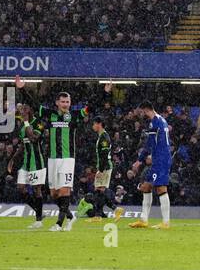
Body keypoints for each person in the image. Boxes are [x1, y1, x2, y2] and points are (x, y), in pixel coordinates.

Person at [16, 77, 101, 232]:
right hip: (53, 159)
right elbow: (34, 104)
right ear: (57, 103)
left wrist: (104, 91)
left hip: (67, 159)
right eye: (63, 102)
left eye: (67, 102)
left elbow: (91, 107)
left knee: (64, 191)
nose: (65, 105)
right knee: (54, 194)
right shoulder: (50, 115)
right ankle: (70, 216)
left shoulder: (75, 115)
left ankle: (58, 224)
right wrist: (22, 89)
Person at [129, 103, 174, 230]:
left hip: (161, 159)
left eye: (142, 112)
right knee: (146, 187)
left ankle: (166, 222)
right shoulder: (162, 120)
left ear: (146, 110)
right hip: (160, 158)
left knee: (161, 188)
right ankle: (144, 220)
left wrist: (139, 160)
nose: (142, 115)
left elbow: (149, 144)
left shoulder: (154, 122)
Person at [10, 103, 46, 229]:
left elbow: (33, 138)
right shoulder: (21, 128)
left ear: (30, 110)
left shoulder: (39, 123)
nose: (22, 111)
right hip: (26, 162)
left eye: (25, 108)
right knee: (21, 188)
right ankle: (39, 210)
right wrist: (13, 159)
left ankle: (38, 220)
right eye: (21, 109)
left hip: (36, 162)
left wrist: (26, 122)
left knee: (37, 190)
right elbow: (22, 144)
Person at [89, 116, 120, 220]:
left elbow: (104, 154)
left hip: (105, 167)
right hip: (104, 166)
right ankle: (114, 209)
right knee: (99, 190)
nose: (93, 126)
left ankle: (98, 215)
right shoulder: (102, 136)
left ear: (99, 124)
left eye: (94, 124)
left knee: (99, 190)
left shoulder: (104, 137)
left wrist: (101, 170)